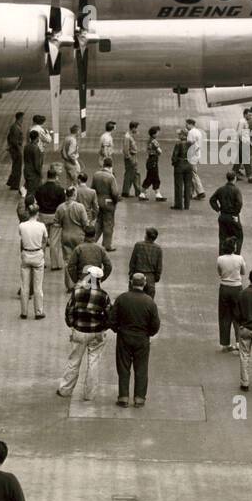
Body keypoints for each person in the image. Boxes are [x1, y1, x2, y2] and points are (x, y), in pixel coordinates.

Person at [58, 265, 110, 403]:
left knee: (74, 361)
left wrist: (72, 324)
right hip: (96, 332)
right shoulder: (103, 296)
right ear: (99, 279)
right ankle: (89, 394)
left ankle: (65, 390)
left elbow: (69, 310)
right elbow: (109, 316)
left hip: (79, 331)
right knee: (93, 362)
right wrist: (103, 328)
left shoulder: (77, 292)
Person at [110, 272, 161, 407]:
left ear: (131, 283)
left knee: (123, 368)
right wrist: (148, 334)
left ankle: (123, 397)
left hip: (124, 337)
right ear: (144, 284)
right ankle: (139, 399)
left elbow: (112, 319)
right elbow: (155, 325)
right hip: (142, 339)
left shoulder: (122, 299)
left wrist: (118, 330)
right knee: (141, 368)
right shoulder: (149, 302)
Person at [216, 238, 246, 350]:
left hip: (224, 287)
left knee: (224, 315)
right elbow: (243, 272)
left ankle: (225, 343)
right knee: (238, 315)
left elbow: (219, 272)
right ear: (233, 247)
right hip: (237, 287)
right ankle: (238, 341)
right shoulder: (239, 258)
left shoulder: (220, 259)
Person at [209, 172, 244, 255]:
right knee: (238, 236)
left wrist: (218, 210)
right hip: (233, 216)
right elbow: (239, 203)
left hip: (223, 216)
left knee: (223, 237)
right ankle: (236, 255)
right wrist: (236, 214)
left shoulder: (221, 189)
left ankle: (222, 255)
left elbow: (212, 200)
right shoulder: (236, 190)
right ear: (234, 178)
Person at [92, 158, 120, 251]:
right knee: (108, 224)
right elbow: (115, 193)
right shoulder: (111, 177)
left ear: (103, 165)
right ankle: (107, 245)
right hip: (108, 203)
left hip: (98, 201)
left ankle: (92, 241)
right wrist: (115, 201)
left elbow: (92, 189)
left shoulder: (96, 175)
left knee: (98, 222)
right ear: (111, 166)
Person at [128, 227, 163, 298]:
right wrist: (156, 278)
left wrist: (131, 274)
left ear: (146, 236)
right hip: (150, 277)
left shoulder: (138, 245)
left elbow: (132, 261)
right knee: (149, 300)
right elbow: (159, 266)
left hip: (137, 275)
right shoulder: (158, 249)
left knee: (133, 298)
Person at [171, 128, 193, 209]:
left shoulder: (178, 144)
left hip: (180, 165)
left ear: (183, 135)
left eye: (179, 134)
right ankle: (187, 205)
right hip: (189, 165)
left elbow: (174, 157)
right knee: (188, 185)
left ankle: (178, 204)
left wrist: (174, 163)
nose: (178, 135)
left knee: (178, 185)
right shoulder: (190, 144)